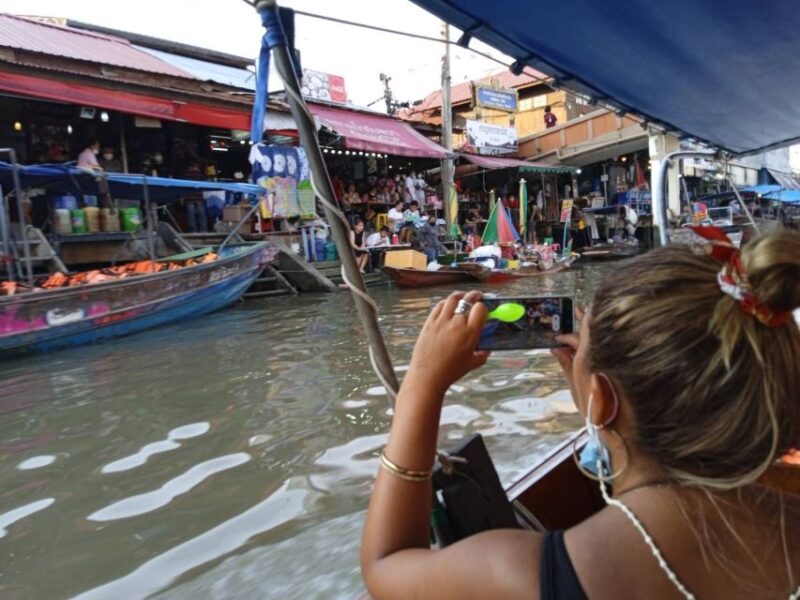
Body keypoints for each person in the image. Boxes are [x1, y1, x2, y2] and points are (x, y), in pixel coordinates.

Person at [361, 230, 800, 599]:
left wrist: (422, 381)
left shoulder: (525, 573)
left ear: (603, 400)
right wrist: (600, 405)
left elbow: (387, 565)